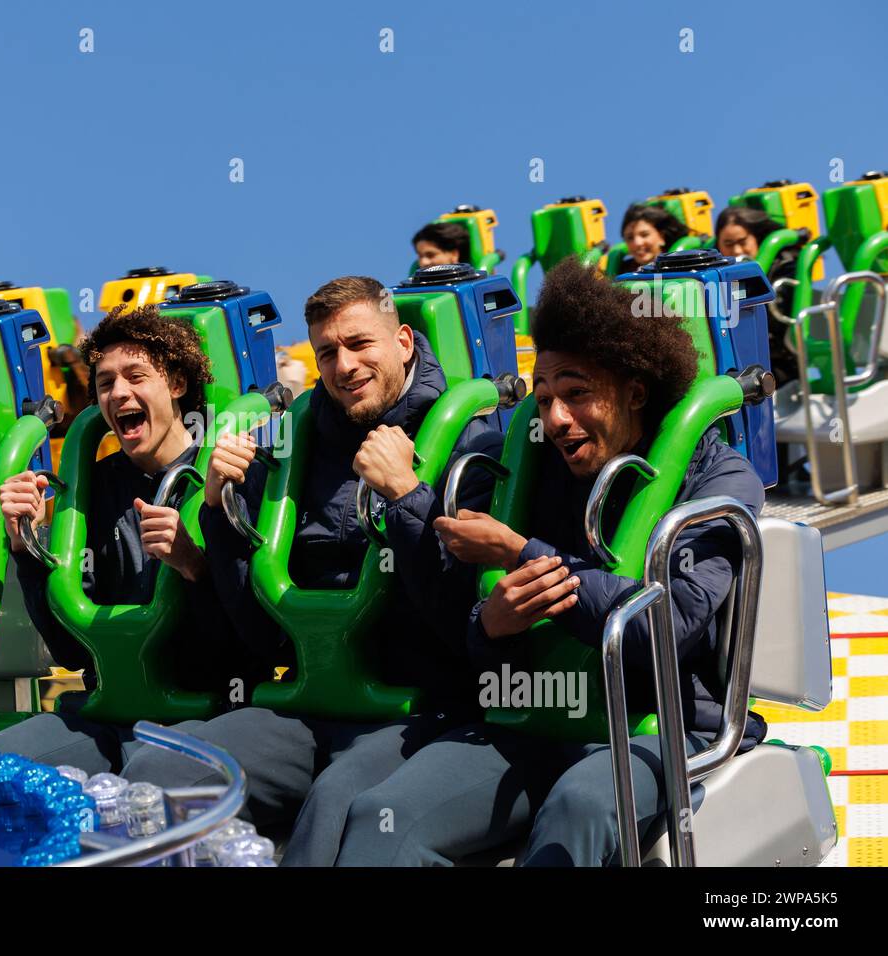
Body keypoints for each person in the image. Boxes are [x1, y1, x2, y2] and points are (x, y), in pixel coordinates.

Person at [332, 257, 766, 866]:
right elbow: (476, 642)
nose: (557, 419)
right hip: (538, 720)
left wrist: (520, 552)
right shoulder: (532, 476)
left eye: (577, 393)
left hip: (659, 728)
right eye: (544, 401)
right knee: (382, 821)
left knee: (579, 807)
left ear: (634, 391)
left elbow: (665, 628)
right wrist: (493, 628)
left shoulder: (722, 479)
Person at [116, 275, 502, 865]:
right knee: (157, 769)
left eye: (359, 344)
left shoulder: (472, 440)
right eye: (327, 352)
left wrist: (405, 496)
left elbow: (462, 617)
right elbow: (259, 632)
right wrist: (219, 513)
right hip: (307, 702)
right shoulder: (292, 443)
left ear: (402, 341)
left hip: (419, 707)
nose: (344, 365)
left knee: (339, 803)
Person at [0, 304, 270, 774]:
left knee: (149, 779)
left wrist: (194, 566)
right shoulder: (89, 490)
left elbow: (256, 642)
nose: (119, 393)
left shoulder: (232, 477)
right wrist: (27, 547)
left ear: (176, 385)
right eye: (105, 383)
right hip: (109, 709)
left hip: (209, 711)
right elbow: (72, 651)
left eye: (136, 376)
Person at [715, 205, 801, 387]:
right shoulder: (715, 279)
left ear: (756, 239)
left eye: (742, 242)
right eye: (728, 244)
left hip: (779, 371)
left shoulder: (785, 269)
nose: (737, 250)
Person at [616, 203, 689, 271]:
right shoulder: (620, 272)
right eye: (630, 237)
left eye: (644, 235)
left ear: (661, 237)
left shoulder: (686, 266)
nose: (637, 243)